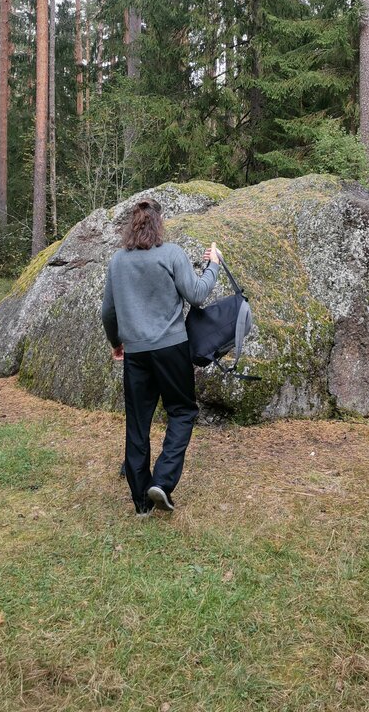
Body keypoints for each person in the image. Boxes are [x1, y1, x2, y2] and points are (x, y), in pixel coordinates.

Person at [101, 198, 220, 516]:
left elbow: (108, 311)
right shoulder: (172, 254)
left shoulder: (118, 261)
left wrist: (116, 342)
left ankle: (142, 503)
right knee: (182, 411)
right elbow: (197, 295)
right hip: (171, 349)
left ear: (132, 224)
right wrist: (213, 266)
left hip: (136, 352)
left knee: (137, 424)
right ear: (158, 222)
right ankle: (163, 481)